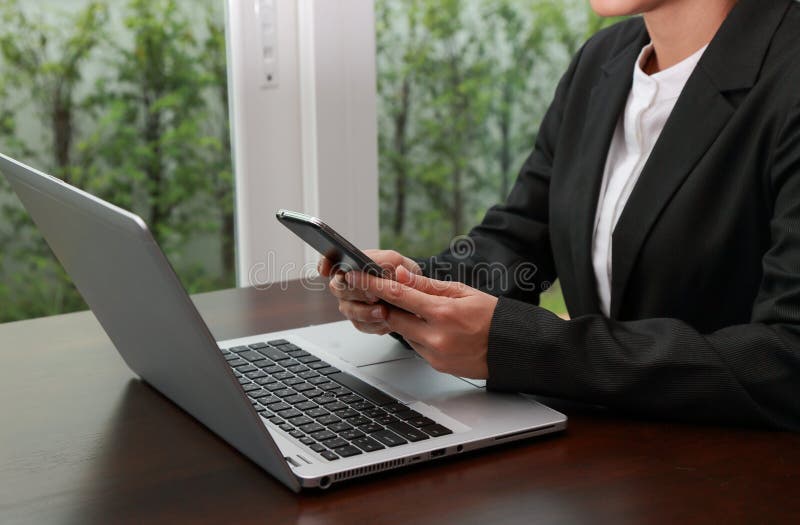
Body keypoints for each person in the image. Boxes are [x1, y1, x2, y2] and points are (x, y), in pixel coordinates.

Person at [320, 0, 800, 431]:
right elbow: (518, 239)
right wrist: (414, 290)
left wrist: (521, 346)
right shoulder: (602, 60)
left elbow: (787, 360)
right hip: (603, 453)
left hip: (731, 468)